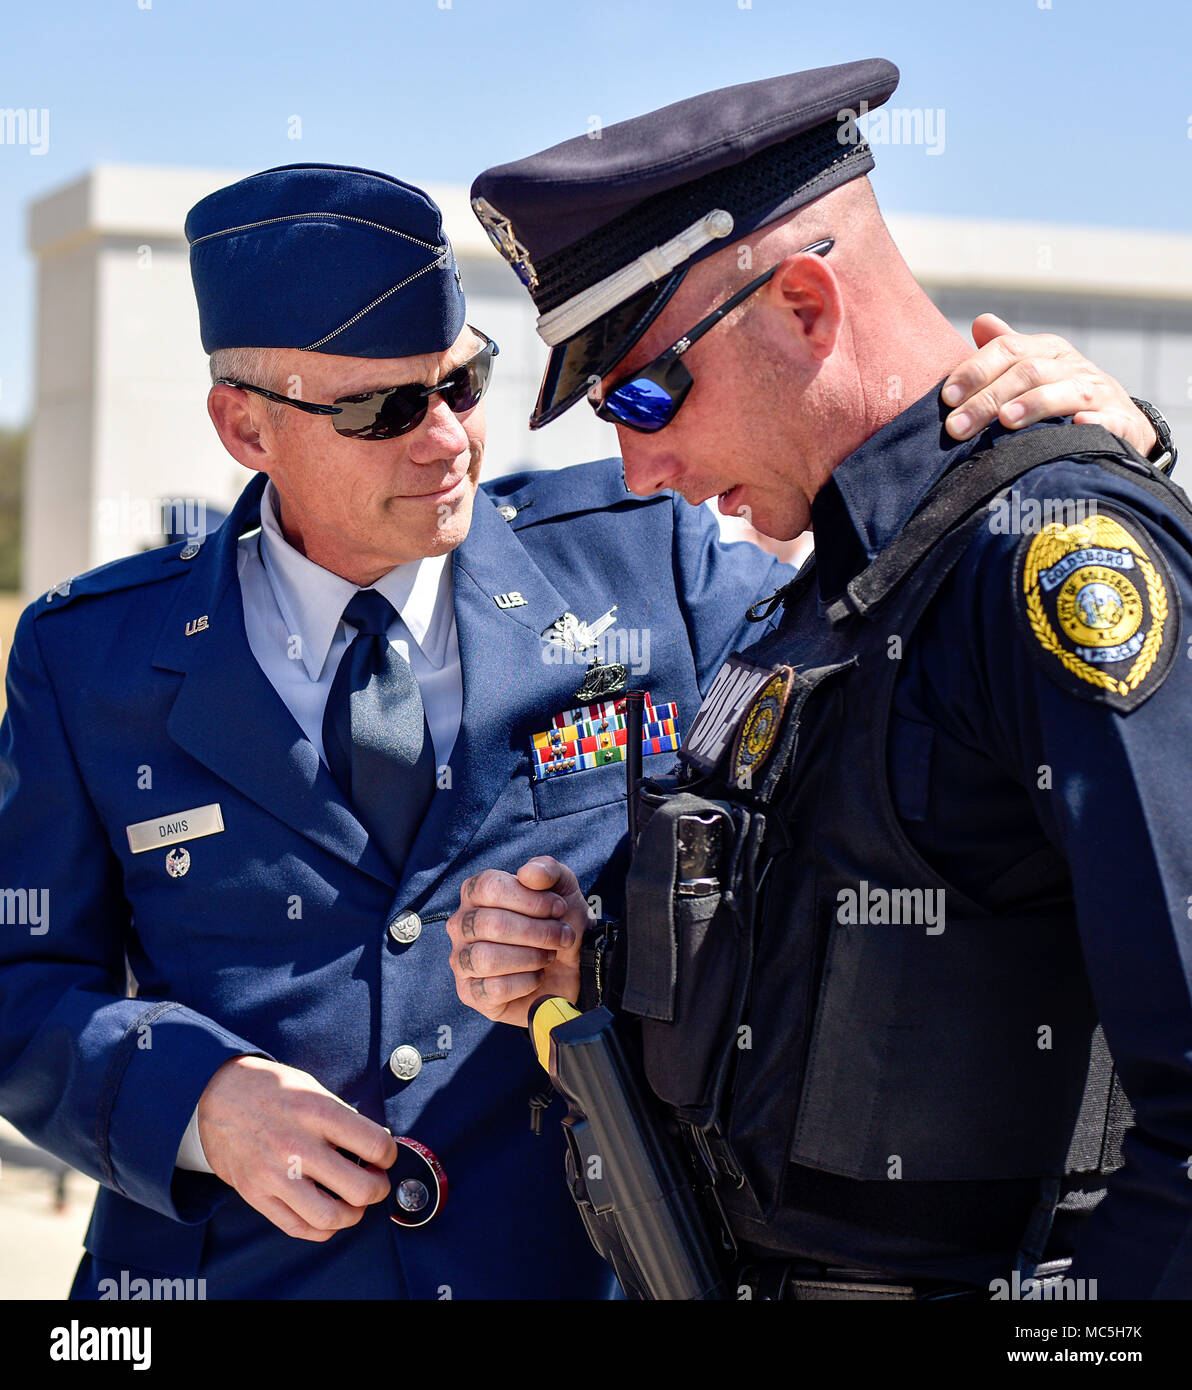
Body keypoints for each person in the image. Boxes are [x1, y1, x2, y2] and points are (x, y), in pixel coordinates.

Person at [0, 160, 1156, 1301]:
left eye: (460, 384)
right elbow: (24, 978)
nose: (448, 441)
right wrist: (194, 1102)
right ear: (244, 429)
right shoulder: (91, 654)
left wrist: (1076, 456)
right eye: (383, 410)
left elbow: (906, 669)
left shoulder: (645, 561)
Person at [448, 59, 1191, 1299]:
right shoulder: (817, 600)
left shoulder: (1045, 557)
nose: (638, 471)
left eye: (643, 391)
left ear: (801, 302)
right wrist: (592, 968)